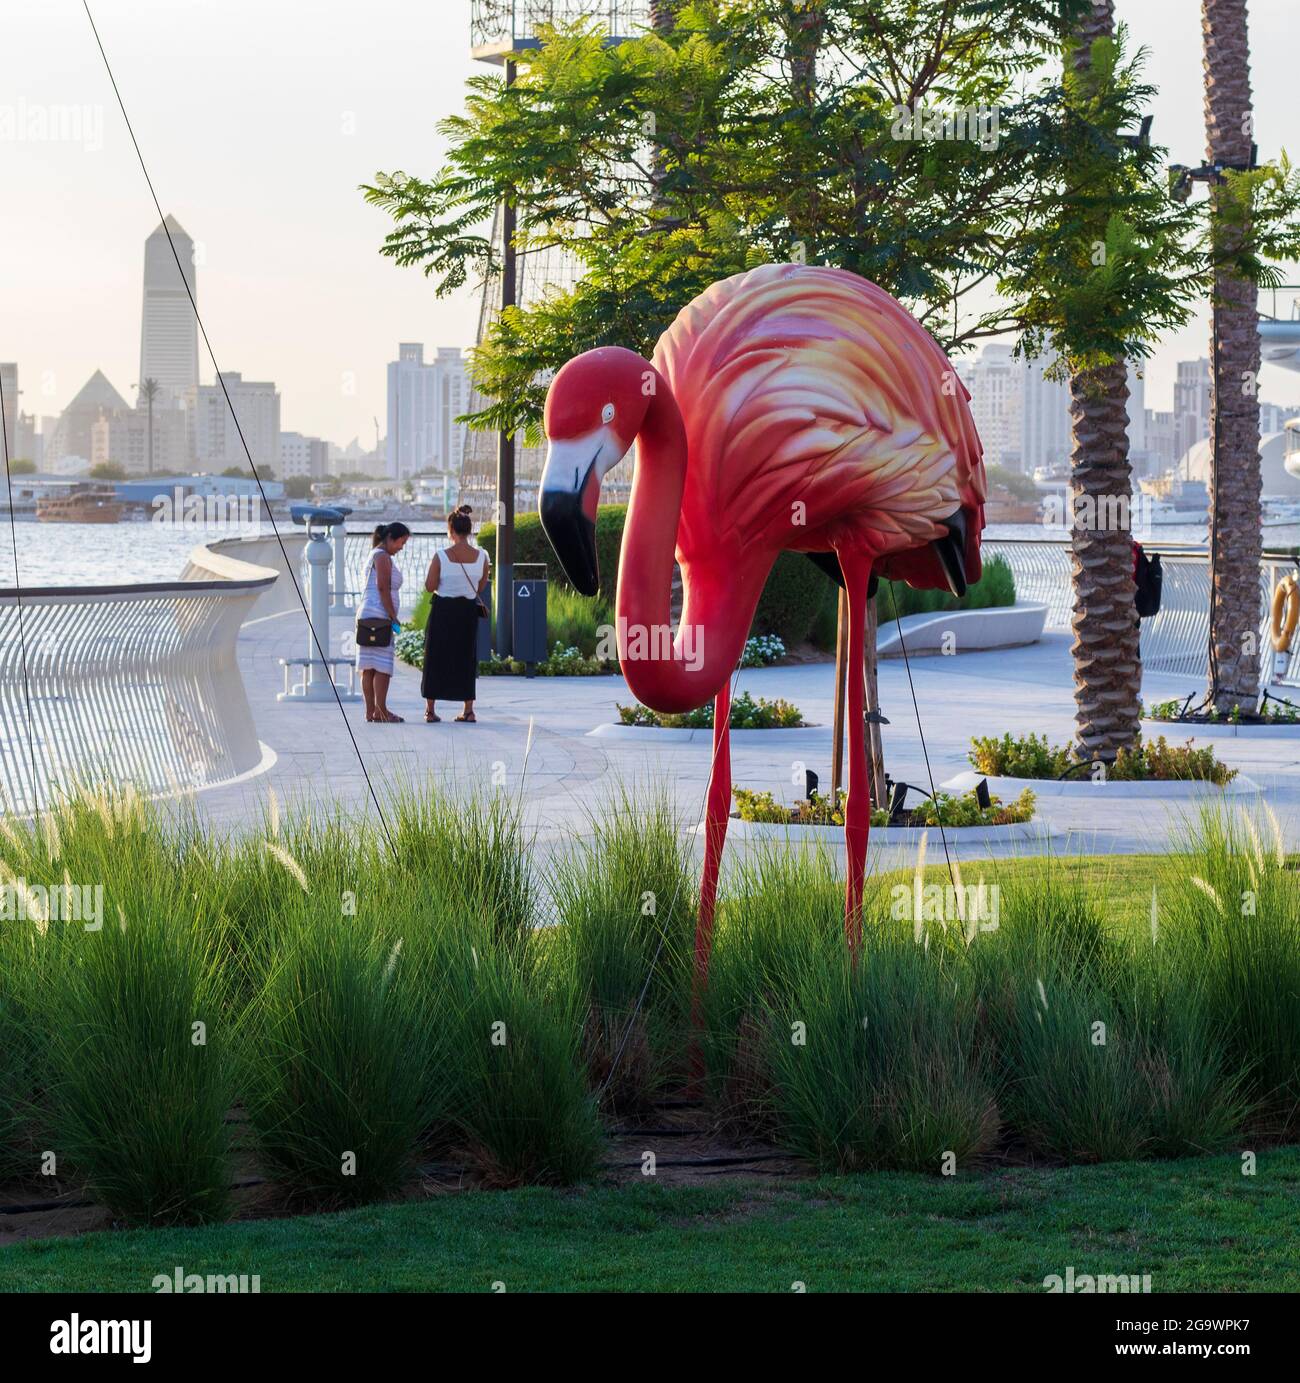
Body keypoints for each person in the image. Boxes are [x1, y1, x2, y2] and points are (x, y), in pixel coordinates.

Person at [423, 505, 490, 723]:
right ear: (469, 531)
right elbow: (480, 587)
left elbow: (429, 586)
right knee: (466, 657)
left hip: (443, 610)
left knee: (435, 656)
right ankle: (468, 710)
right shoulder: (482, 557)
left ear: (451, 530)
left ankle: (430, 710)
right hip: (467, 612)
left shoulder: (441, 556)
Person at [355, 521, 411, 723]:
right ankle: (381, 711)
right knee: (382, 666)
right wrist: (392, 616)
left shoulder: (375, 554)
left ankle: (371, 711)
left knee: (368, 666)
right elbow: (382, 588)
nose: (401, 547)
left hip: (367, 614)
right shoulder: (382, 557)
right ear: (390, 538)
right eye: (401, 542)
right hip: (379, 616)